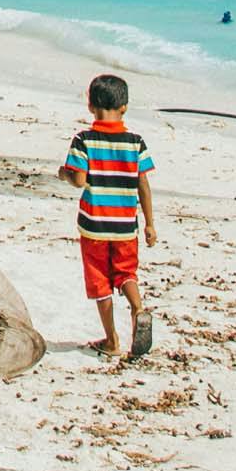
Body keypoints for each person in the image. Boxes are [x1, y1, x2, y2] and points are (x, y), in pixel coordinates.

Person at [58, 72, 159, 363]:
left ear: (90, 105)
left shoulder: (84, 140)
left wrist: (64, 173)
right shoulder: (135, 142)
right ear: (124, 107)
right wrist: (150, 223)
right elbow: (143, 184)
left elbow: (78, 181)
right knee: (126, 274)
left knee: (100, 282)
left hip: (94, 226)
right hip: (126, 226)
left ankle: (112, 340)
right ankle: (138, 309)